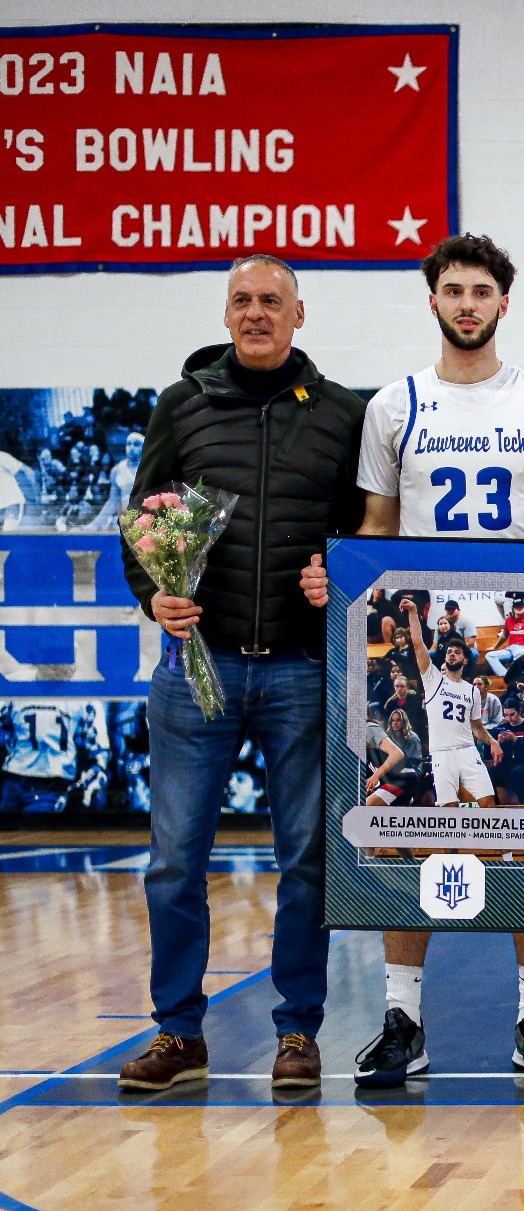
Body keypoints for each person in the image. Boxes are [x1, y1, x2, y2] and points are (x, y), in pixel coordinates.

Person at [300, 234, 524, 1086]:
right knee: (413, 817)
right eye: (453, 291)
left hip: (515, 629)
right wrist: (346, 583)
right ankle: (403, 1019)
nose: (468, 304)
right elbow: (377, 530)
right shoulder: (396, 405)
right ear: (432, 302)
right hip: (422, 625)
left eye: (481, 291)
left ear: (505, 303)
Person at [115, 254, 366, 1094]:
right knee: (173, 860)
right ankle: (179, 1032)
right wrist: (156, 595)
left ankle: (298, 1031)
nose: (256, 313)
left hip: (301, 669)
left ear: (302, 315)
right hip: (197, 668)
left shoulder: (343, 415)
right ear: (226, 315)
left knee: (304, 859)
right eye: (242, 301)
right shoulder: (181, 406)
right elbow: (141, 525)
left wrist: (337, 573)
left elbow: (367, 532)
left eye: (272, 301)